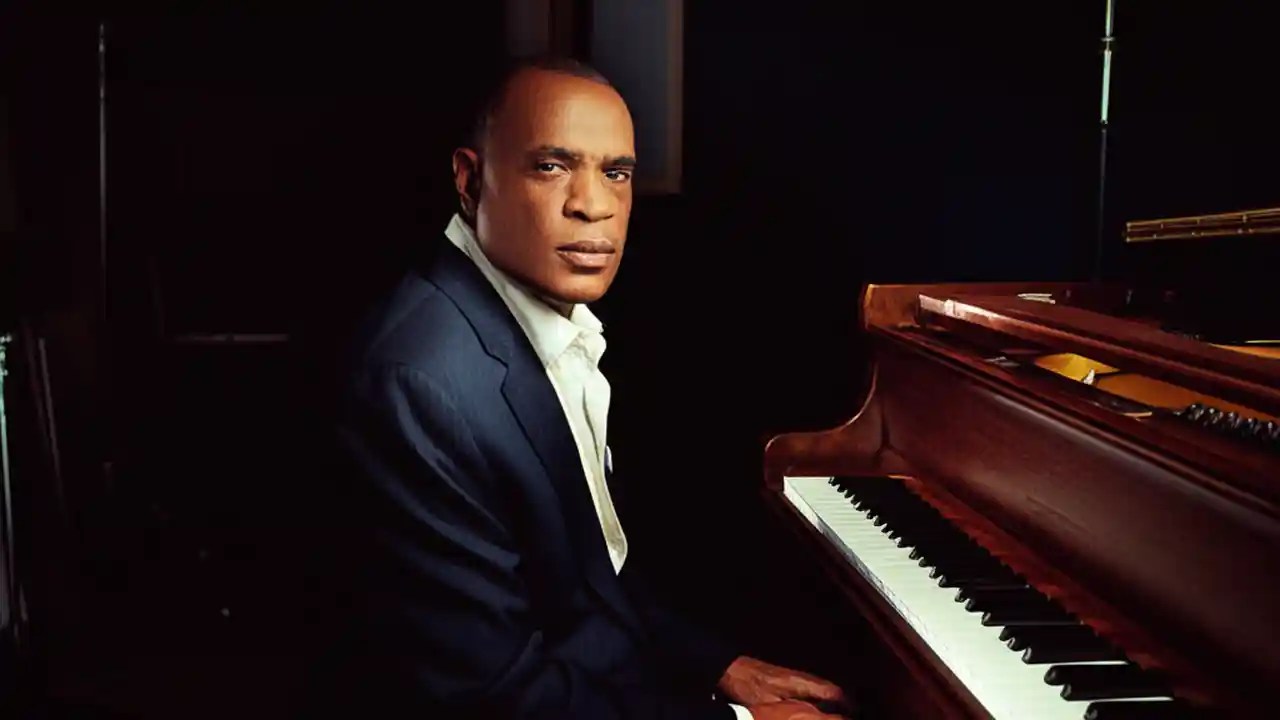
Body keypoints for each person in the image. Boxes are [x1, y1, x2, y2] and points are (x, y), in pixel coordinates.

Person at [312, 57, 853, 720]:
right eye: (551, 166)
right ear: (470, 180)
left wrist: (715, 664)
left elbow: (588, 576)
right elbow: (490, 697)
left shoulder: (531, 321)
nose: (594, 206)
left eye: (616, 173)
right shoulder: (421, 386)